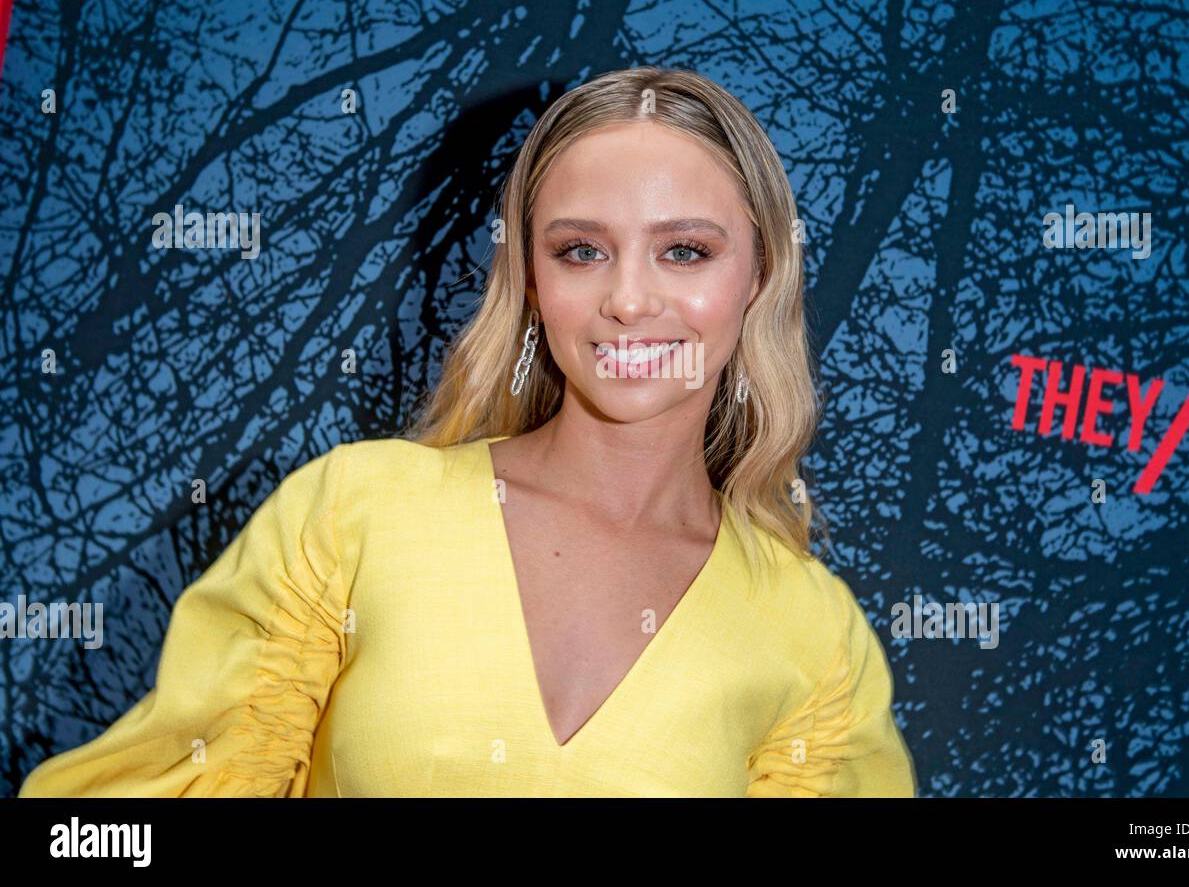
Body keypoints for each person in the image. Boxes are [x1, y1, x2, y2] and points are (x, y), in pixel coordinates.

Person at [19, 67, 917, 797]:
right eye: (580, 250)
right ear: (530, 279)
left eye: (685, 250)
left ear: (759, 273)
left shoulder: (812, 637)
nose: (630, 300)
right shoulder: (357, 516)